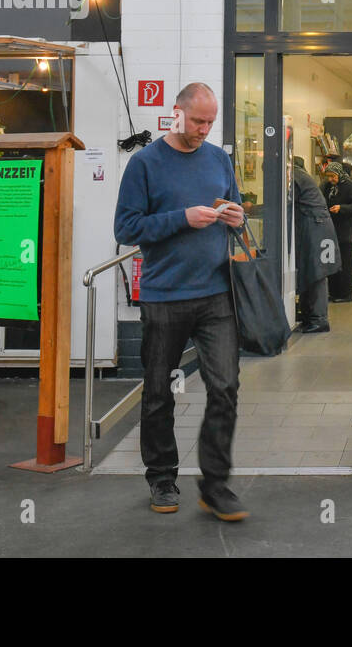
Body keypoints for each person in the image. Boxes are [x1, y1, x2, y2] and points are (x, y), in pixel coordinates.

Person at [113, 82, 249, 521]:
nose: (204, 130)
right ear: (177, 114)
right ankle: (161, 476)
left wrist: (236, 216)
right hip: (164, 295)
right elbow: (127, 229)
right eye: (197, 122)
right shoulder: (145, 164)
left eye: (210, 122)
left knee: (225, 386)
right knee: (158, 392)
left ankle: (215, 484)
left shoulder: (218, 159)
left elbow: (237, 207)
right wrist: (182, 219)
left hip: (215, 293)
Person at [293, 157, 340, 333]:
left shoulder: (294, 176)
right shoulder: (302, 175)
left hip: (315, 227)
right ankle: (309, 314)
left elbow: (283, 204)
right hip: (318, 227)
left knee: (316, 273)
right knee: (312, 272)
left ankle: (318, 319)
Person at [321, 163, 352, 302]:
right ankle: (333, 292)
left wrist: (341, 208)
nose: (330, 179)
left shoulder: (349, 186)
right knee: (332, 261)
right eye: (328, 176)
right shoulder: (327, 187)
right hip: (330, 230)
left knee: (345, 263)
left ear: (339, 174)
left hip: (346, 231)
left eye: (333, 176)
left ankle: (346, 293)